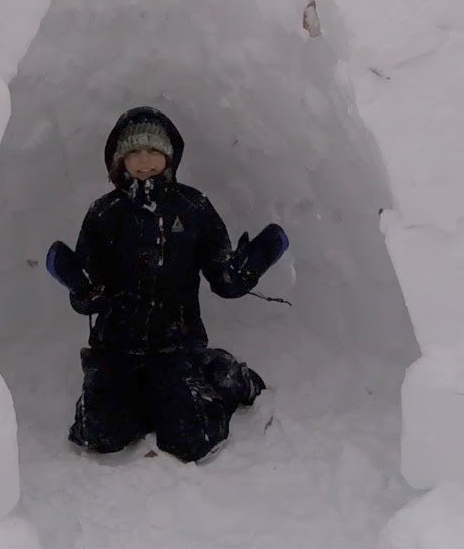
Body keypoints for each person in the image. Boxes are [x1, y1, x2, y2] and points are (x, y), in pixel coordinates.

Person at [46, 106, 289, 462]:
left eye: (153, 151)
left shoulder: (193, 207)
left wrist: (246, 268)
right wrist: (82, 288)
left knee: (190, 440)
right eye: (134, 152)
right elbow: (89, 298)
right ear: (120, 160)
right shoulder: (103, 214)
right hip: (117, 346)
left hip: (177, 344)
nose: (144, 161)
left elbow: (224, 279)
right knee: (101, 435)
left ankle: (221, 374)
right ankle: (132, 393)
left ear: (169, 155)